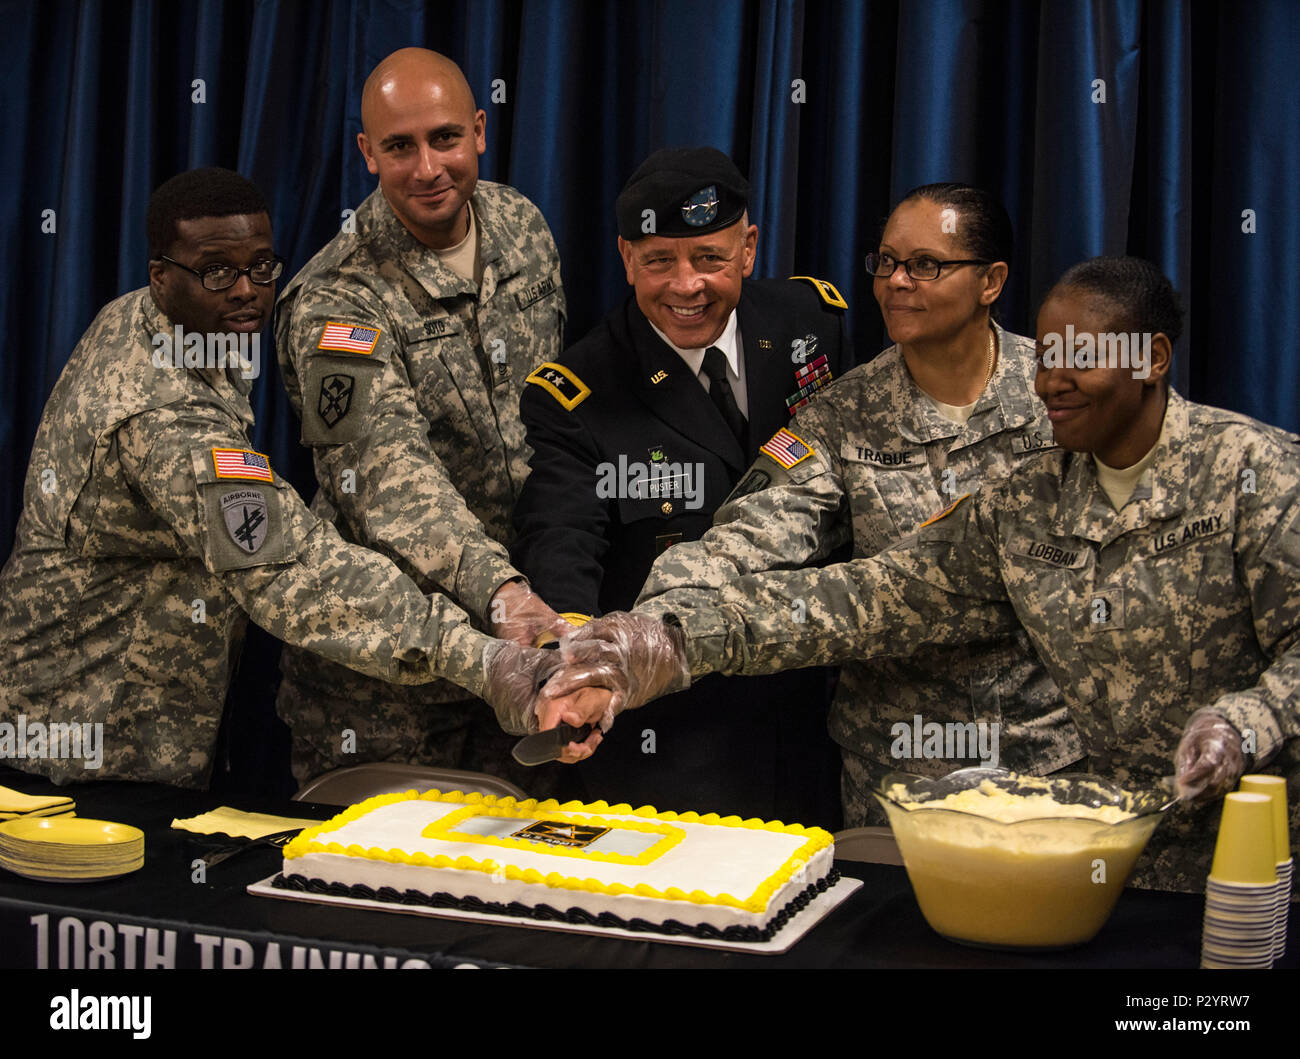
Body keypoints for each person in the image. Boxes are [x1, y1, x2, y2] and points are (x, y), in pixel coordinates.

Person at [545, 256, 1300, 893]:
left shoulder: (1256, 473)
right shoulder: (1024, 503)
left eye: (1085, 359)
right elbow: (865, 598)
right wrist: (666, 641)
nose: (1053, 381)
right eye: (1051, 358)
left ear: (1152, 361)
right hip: (1097, 862)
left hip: (1249, 860)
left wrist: (1244, 722)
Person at [0, 167, 596, 788]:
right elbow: (290, 568)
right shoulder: (161, 418)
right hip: (73, 750)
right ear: (161, 278)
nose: (245, 291)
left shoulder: (169, 327)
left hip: (142, 723)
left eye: (261, 267)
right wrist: (488, 659)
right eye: (216, 272)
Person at [553, 183, 1081, 828]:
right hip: (894, 778)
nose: (896, 283)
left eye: (926, 265)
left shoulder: (1066, 396)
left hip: (1045, 764)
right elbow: (749, 535)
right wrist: (633, 644)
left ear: (992, 280)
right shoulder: (842, 413)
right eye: (885, 263)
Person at [510, 147, 852, 823]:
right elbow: (561, 539)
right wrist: (572, 663)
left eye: (709, 258)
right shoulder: (580, 391)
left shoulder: (810, 322)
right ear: (626, 256)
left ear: (748, 249)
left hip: (813, 719)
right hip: (671, 741)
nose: (686, 285)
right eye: (659, 260)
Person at [274, 48, 572, 786]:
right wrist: (499, 592)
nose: (428, 168)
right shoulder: (335, 300)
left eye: (444, 138)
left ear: (478, 130)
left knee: (516, 884)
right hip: (388, 681)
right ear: (367, 153)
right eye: (399, 147)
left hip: (525, 652)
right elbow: (382, 476)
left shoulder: (522, 227)